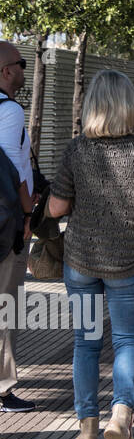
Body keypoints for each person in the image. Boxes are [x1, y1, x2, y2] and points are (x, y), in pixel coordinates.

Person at [47, 70, 134, 439]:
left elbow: (57, 208)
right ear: (129, 107)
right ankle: (120, 415)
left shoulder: (76, 149)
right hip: (125, 263)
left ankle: (86, 430)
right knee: (128, 341)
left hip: (81, 261)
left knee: (86, 343)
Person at [0, 42, 35, 413]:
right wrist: (28, 215)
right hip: (6, 226)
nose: (25, 70)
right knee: (5, 305)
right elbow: (12, 169)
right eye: (22, 64)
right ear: (7, 71)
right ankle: (3, 391)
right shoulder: (9, 110)